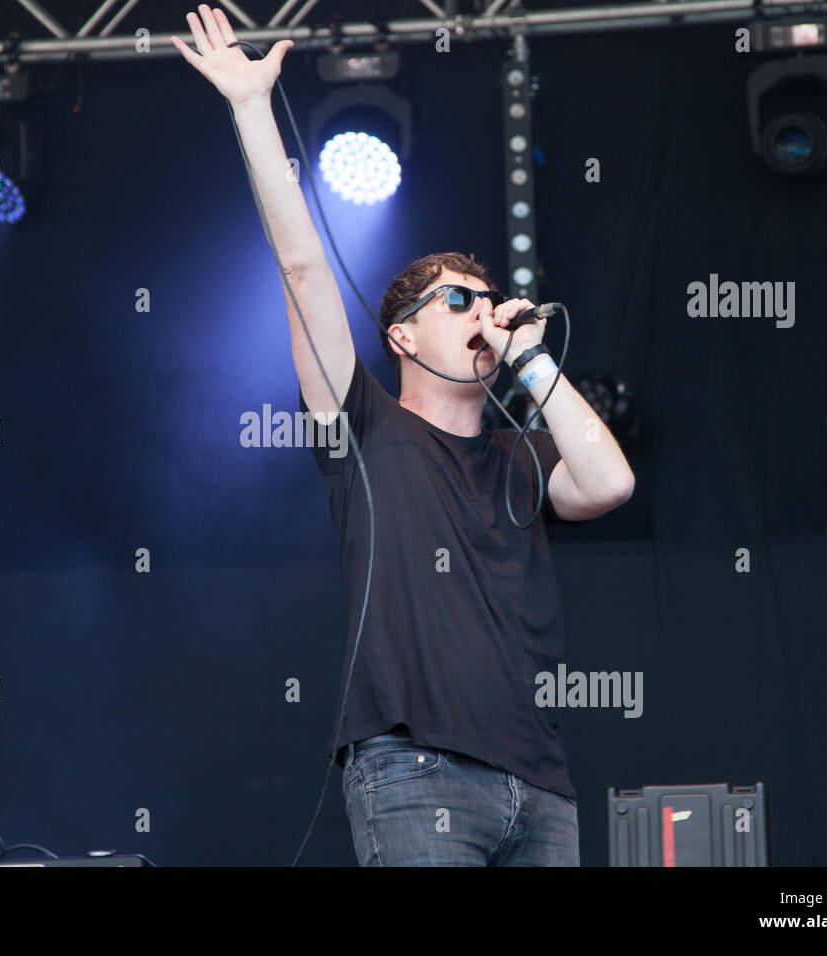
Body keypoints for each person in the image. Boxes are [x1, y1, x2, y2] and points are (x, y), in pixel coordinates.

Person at [172, 4, 635, 866]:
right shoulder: (365, 426)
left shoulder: (521, 460)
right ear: (403, 336)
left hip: (542, 786)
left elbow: (609, 483)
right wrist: (249, 108)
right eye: (456, 300)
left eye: (484, 298)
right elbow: (304, 266)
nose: (478, 311)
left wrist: (529, 356)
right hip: (414, 774)